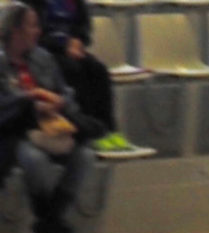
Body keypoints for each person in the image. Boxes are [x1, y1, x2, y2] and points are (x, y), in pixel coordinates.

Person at [0, 3, 101, 233]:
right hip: (15, 130)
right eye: (32, 25)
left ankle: (50, 218)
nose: (38, 31)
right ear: (15, 30)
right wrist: (30, 100)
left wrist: (57, 101)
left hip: (51, 127)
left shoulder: (43, 58)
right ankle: (51, 220)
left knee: (85, 156)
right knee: (33, 159)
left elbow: (65, 93)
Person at [32, 0, 148, 158]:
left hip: (71, 50)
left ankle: (109, 131)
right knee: (73, 70)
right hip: (44, 51)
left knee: (98, 70)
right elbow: (33, 31)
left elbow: (83, 26)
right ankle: (88, 133)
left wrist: (78, 41)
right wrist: (63, 44)